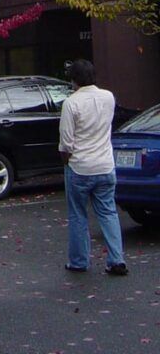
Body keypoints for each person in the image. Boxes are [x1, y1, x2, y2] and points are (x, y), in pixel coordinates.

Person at [58, 59, 128, 276]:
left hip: (80, 166)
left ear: (74, 80)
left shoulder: (71, 103)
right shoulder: (108, 97)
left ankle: (79, 261)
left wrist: (66, 162)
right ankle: (116, 259)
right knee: (108, 212)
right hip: (105, 164)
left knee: (78, 215)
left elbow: (66, 143)